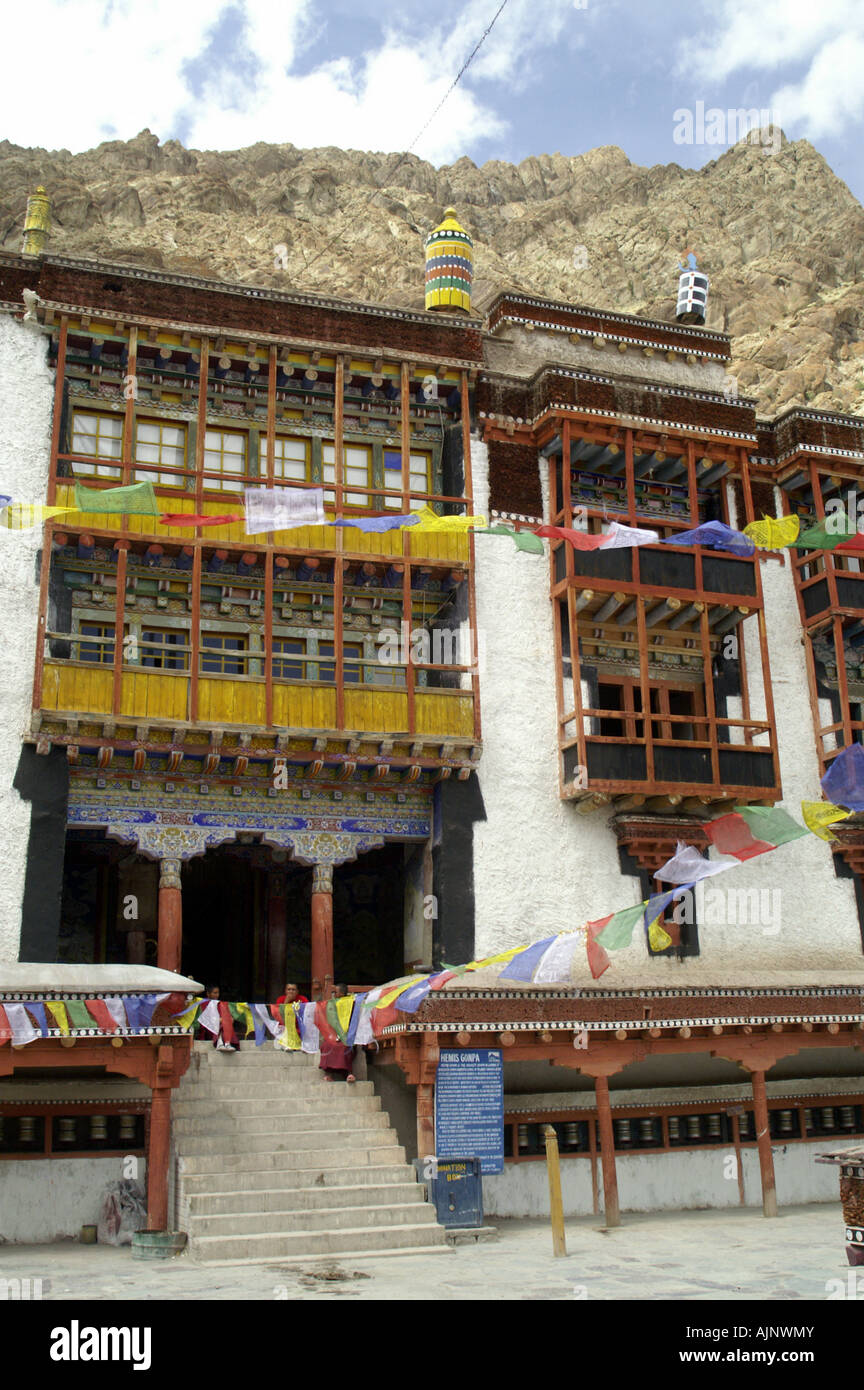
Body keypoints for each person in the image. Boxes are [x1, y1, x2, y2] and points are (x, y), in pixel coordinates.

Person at [319, 984, 356, 1082]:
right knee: (327, 1045)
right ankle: (329, 1074)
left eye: (335, 992)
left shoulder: (352, 1003)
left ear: (342, 993)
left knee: (345, 1047)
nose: (334, 994)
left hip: (348, 1034)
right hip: (334, 1034)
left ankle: (349, 1073)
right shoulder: (332, 1004)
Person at [197, 984, 238, 1052]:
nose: (217, 995)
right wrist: (218, 1020)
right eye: (215, 993)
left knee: (226, 1022)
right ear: (208, 994)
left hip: (221, 1024)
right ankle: (220, 1042)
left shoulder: (220, 1003)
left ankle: (226, 1043)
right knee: (222, 1024)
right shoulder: (203, 1003)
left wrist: (228, 1019)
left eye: (218, 993)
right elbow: (204, 1018)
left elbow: (225, 1014)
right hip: (209, 1027)